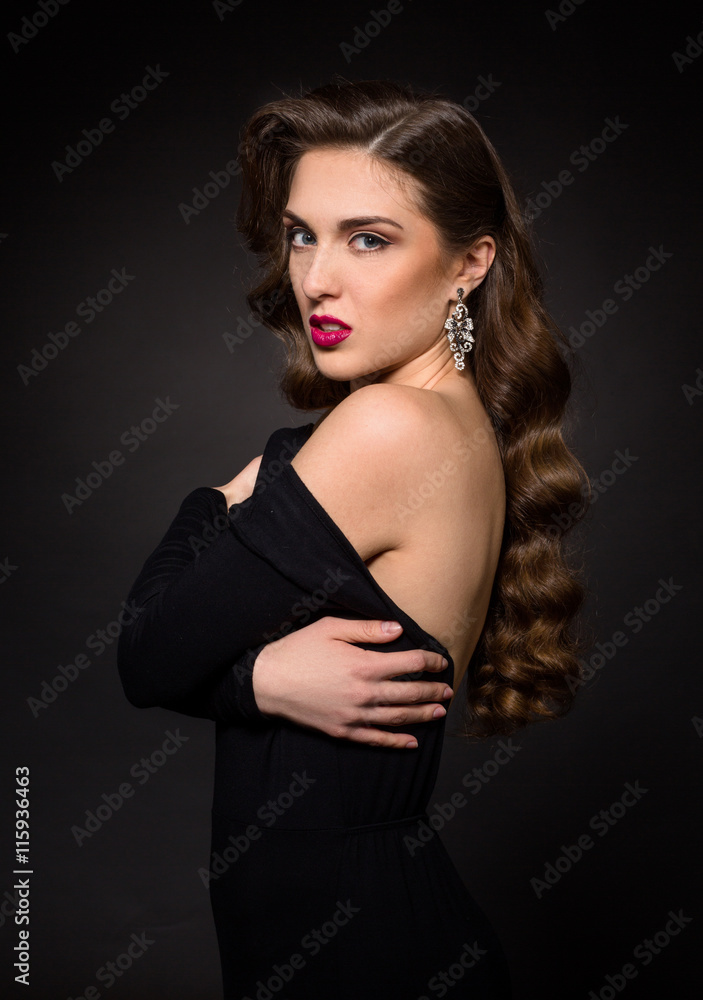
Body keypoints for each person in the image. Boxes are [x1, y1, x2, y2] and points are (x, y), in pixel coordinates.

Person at [117, 77, 587, 999]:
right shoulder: (434, 423)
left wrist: (216, 513)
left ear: (469, 263)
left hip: (361, 954)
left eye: (367, 239)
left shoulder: (387, 429)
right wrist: (265, 681)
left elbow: (145, 653)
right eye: (302, 234)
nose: (315, 279)